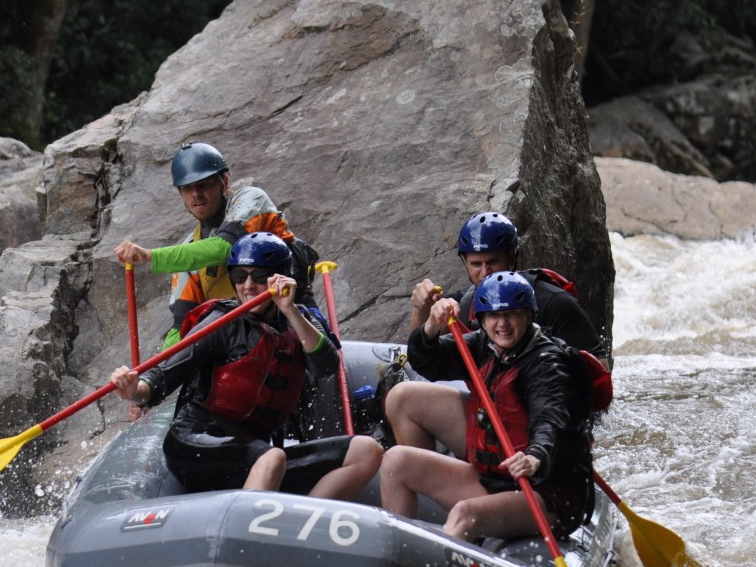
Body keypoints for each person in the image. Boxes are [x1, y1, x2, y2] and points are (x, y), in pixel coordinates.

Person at [110, 232, 381, 500]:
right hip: (197, 442)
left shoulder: (301, 319)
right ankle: (251, 535)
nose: (248, 286)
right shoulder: (223, 321)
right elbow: (163, 375)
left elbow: (326, 365)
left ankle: (303, 526)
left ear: (281, 278)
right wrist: (135, 390)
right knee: (272, 457)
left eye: (260, 277)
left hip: (256, 452)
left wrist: (290, 310)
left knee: (366, 451)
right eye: (240, 276)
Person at [380, 272, 594, 541]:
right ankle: (400, 553)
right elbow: (427, 362)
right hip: (495, 479)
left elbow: (550, 417)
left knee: (463, 514)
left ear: (528, 315)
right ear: (482, 319)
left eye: (511, 314)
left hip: (544, 491)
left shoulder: (549, 364)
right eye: (493, 316)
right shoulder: (486, 344)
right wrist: (432, 326)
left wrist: (535, 455)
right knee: (395, 461)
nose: (502, 324)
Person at [387, 211, 606, 454]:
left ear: (512, 258)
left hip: (542, 424)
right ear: (466, 264)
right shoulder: (467, 304)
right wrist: (424, 311)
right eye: (476, 265)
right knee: (401, 397)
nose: (485, 273)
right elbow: (423, 359)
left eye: (493, 262)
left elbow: (597, 371)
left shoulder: (554, 302)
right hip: (489, 414)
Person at [114, 142, 318, 348]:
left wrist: (150, 256)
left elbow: (223, 247)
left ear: (224, 181)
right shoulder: (191, 250)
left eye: (204, 184)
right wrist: (155, 373)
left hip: (292, 314)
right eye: (188, 188)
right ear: (181, 194)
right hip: (240, 340)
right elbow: (180, 327)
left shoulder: (251, 199)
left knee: (324, 359)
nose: (196, 194)